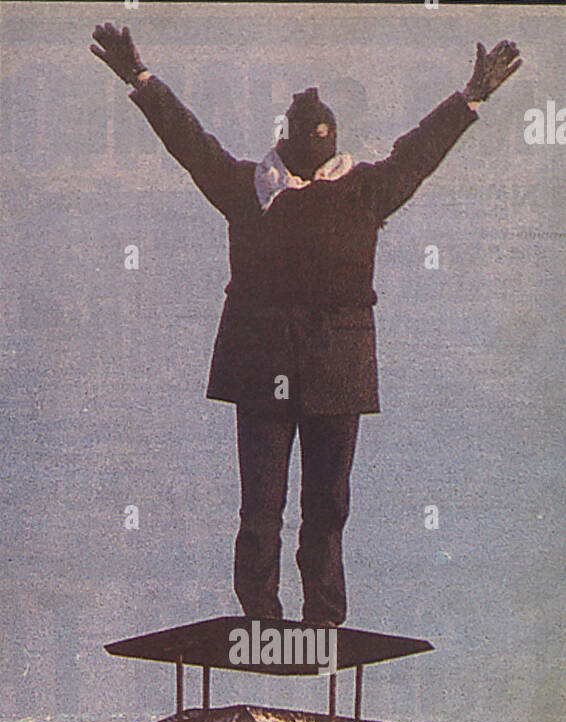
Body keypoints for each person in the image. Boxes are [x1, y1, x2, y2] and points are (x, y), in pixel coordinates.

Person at [91, 24, 521, 626]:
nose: (318, 148)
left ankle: (321, 616)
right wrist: (142, 82)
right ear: (288, 141)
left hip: (334, 371)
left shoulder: (361, 191)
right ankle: (262, 617)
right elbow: (190, 142)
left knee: (327, 503)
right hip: (269, 367)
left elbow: (419, 153)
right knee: (263, 505)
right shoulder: (252, 189)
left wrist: (469, 99)